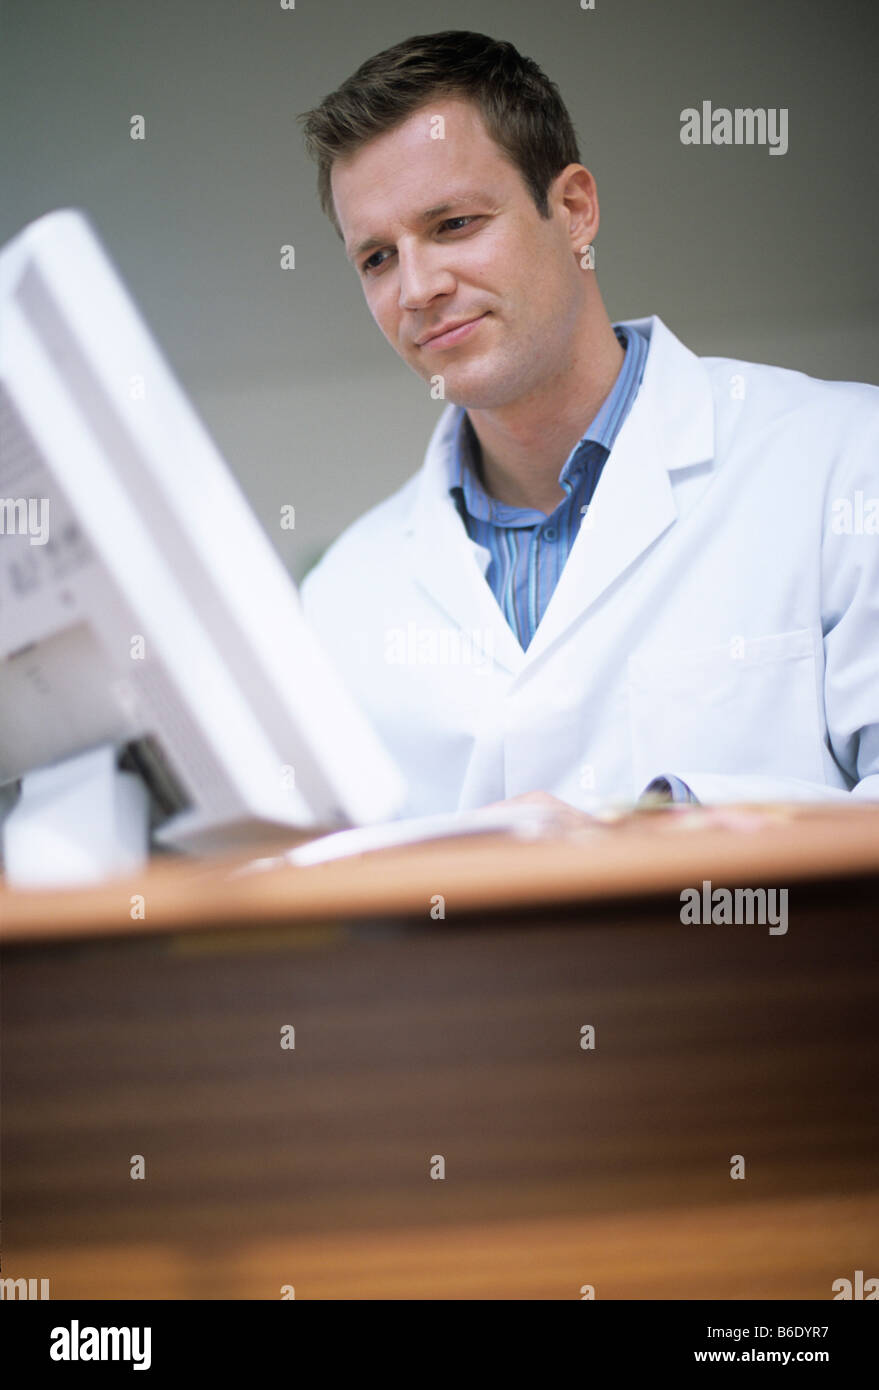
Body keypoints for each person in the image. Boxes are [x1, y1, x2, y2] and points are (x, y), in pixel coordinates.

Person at [297, 29, 879, 820]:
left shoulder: (843, 461)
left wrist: (663, 825)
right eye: (377, 258)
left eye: (455, 224)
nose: (417, 287)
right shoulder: (342, 597)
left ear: (572, 211)